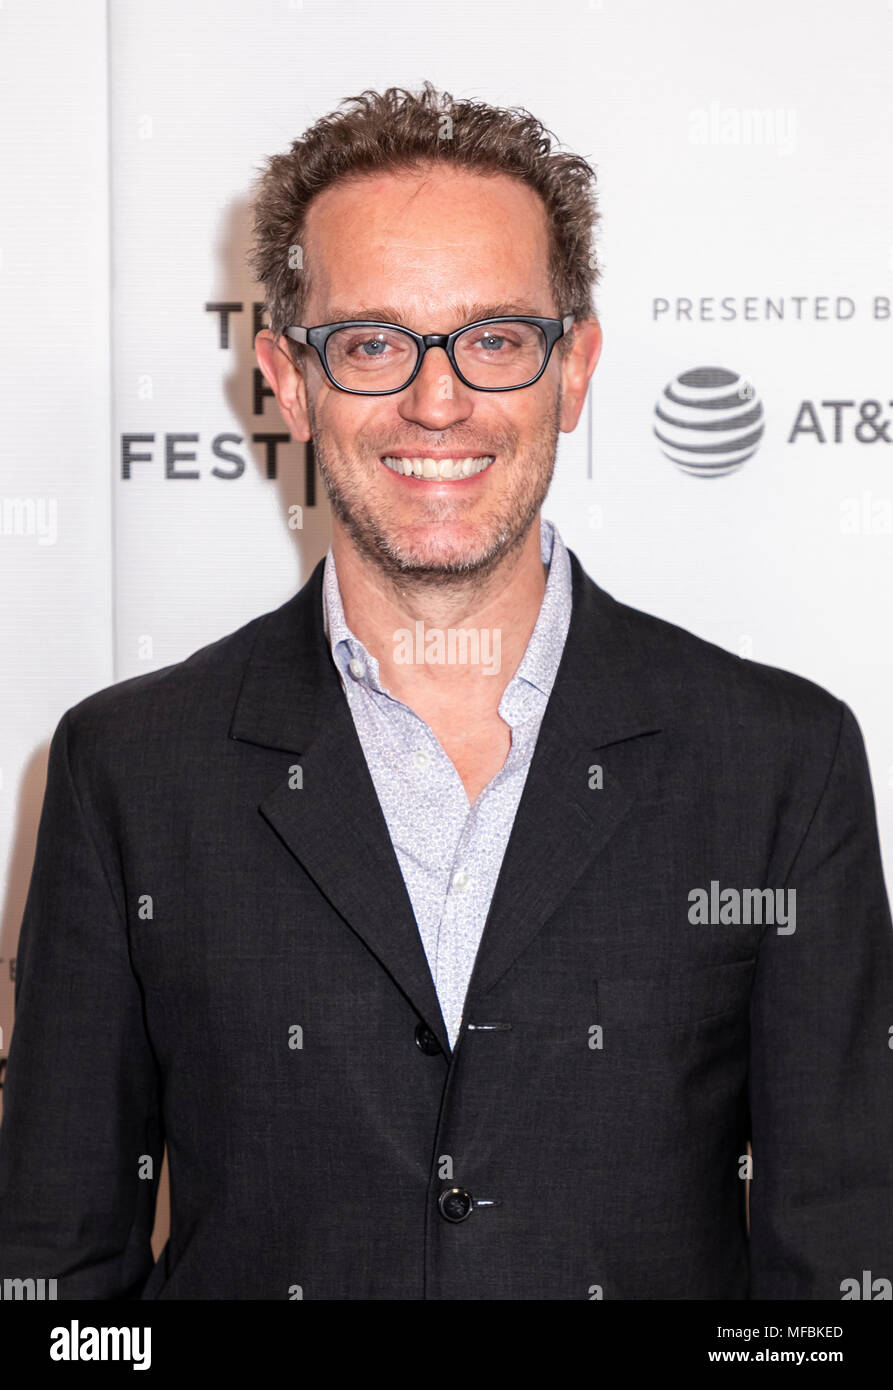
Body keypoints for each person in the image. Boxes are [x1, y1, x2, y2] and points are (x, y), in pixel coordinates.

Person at [1, 83, 891, 1300]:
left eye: (494, 338)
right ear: (287, 378)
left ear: (571, 368)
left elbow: (834, 1277)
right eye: (371, 341)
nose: (437, 399)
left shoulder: (780, 764)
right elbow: (58, 1274)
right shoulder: (128, 768)